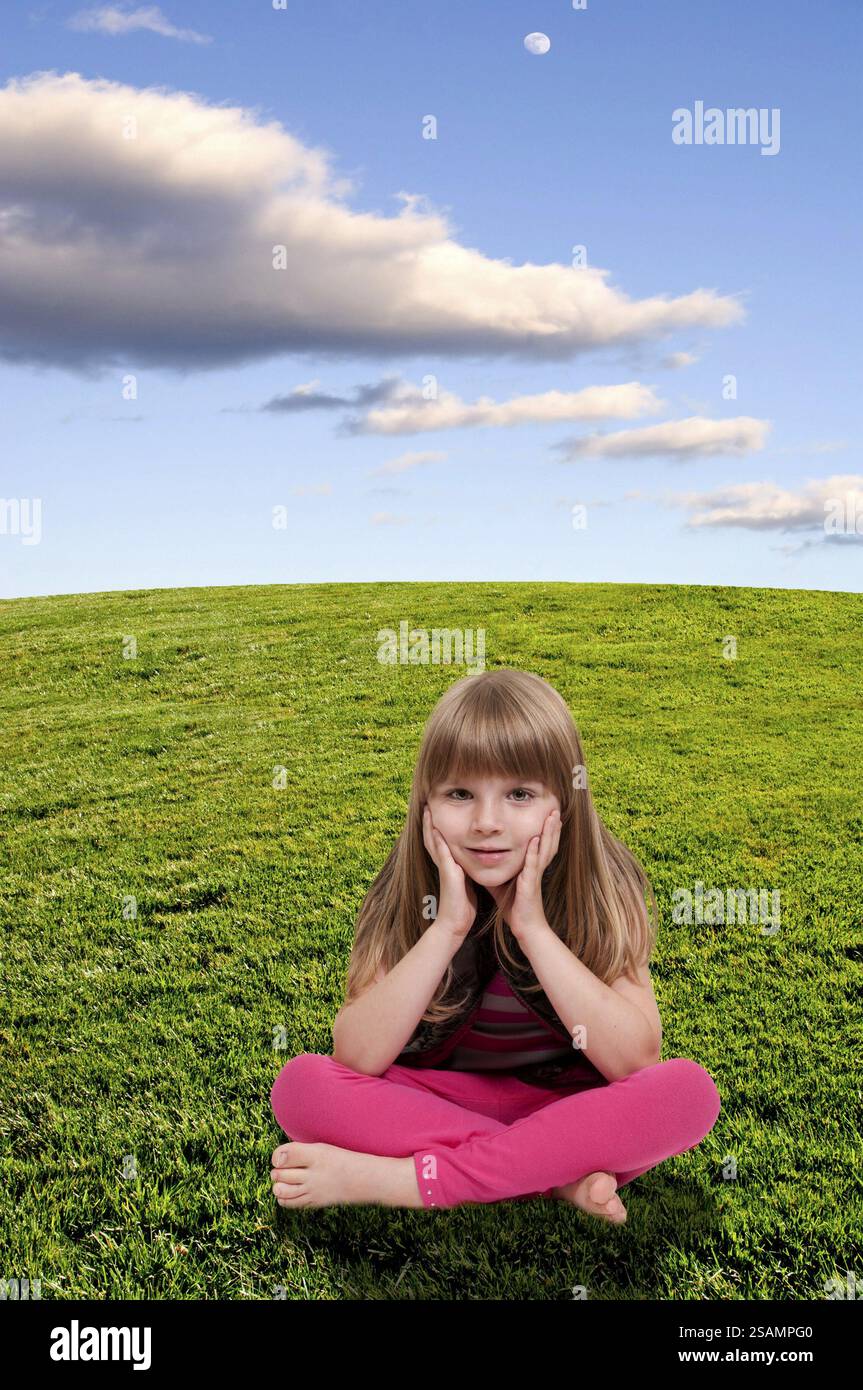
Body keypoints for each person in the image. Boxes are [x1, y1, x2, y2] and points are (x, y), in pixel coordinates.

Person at [270, 668, 720, 1220]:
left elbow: (634, 1059)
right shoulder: (407, 884)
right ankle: (552, 1176)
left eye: (520, 794)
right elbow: (357, 1057)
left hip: (562, 1104)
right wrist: (447, 928)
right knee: (303, 1087)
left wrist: (532, 929)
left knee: (685, 1093)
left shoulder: (601, 881)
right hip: (435, 1101)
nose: (487, 823)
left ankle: (407, 1181)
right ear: (426, 806)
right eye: (460, 793)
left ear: (565, 803)